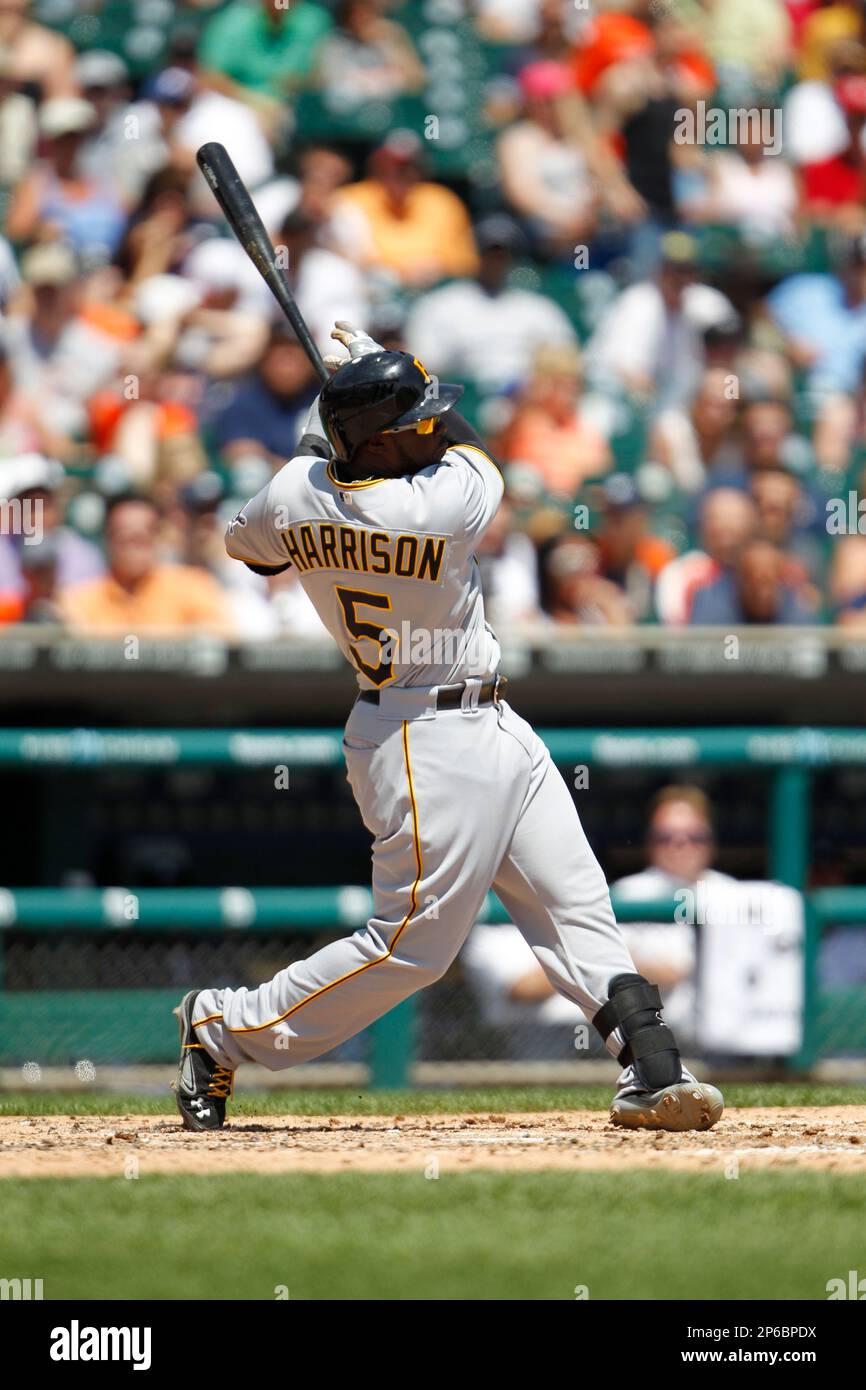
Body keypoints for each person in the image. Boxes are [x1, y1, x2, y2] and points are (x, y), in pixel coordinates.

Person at [172, 319, 724, 1134]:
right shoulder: (440, 500)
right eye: (412, 424)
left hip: (483, 722)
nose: (430, 428)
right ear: (381, 444)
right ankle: (219, 1027)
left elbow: (250, 547)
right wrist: (355, 389)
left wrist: (326, 431)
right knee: (410, 948)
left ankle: (651, 1065)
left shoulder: (293, 491)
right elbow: (478, 450)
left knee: (576, 902)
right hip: (423, 740)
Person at [404, 214, 577, 395]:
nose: (495, 260)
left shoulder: (537, 308)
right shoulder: (441, 304)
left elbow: (565, 359)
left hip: (526, 400)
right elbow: (427, 365)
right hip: (462, 399)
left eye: (502, 254)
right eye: (490, 252)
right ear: (476, 252)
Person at [60, 494, 233, 636]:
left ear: (158, 538)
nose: (133, 548)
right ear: (108, 539)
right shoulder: (82, 599)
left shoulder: (193, 586)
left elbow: (220, 639)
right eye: (124, 537)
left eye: (142, 538)